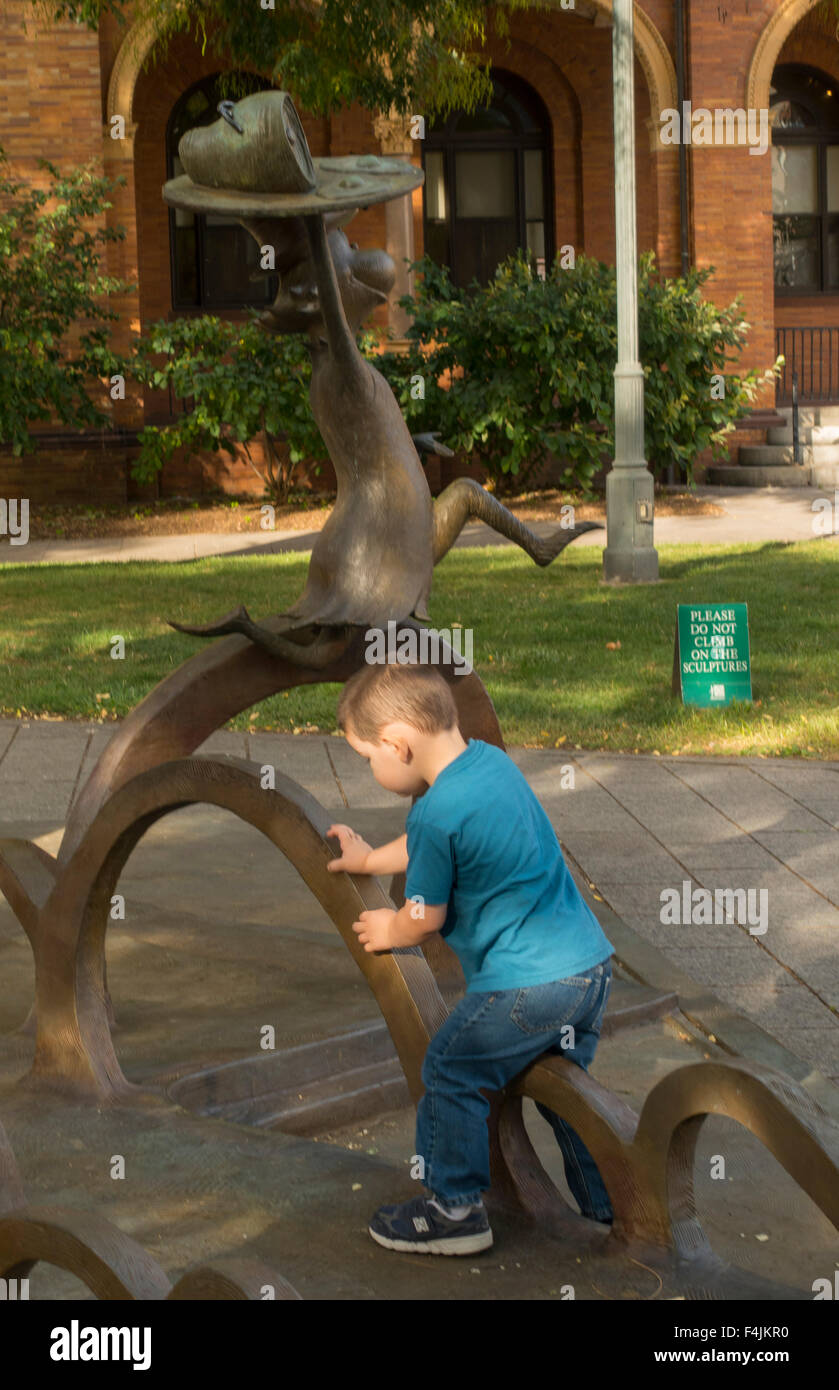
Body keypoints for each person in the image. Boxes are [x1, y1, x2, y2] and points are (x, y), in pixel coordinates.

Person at [326, 660, 614, 1255]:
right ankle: (610, 1208)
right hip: (587, 972)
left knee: (451, 1067)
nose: (370, 769)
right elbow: (437, 846)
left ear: (398, 745)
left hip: (526, 988)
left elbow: (423, 916)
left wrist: (389, 926)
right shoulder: (490, 765)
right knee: (568, 1094)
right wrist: (370, 860)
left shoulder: (435, 812)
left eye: (366, 758)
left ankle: (453, 1210)